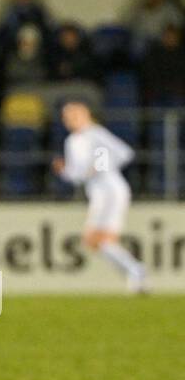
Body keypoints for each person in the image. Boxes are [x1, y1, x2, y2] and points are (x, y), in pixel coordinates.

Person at [52, 101, 148, 293]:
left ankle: (135, 272)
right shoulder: (72, 141)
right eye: (66, 117)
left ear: (86, 115)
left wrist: (99, 166)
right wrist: (64, 171)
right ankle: (135, 272)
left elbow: (124, 154)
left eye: (74, 115)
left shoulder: (95, 134)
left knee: (97, 239)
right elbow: (78, 176)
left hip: (111, 191)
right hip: (98, 193)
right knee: (97, 241)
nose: (69, 120)